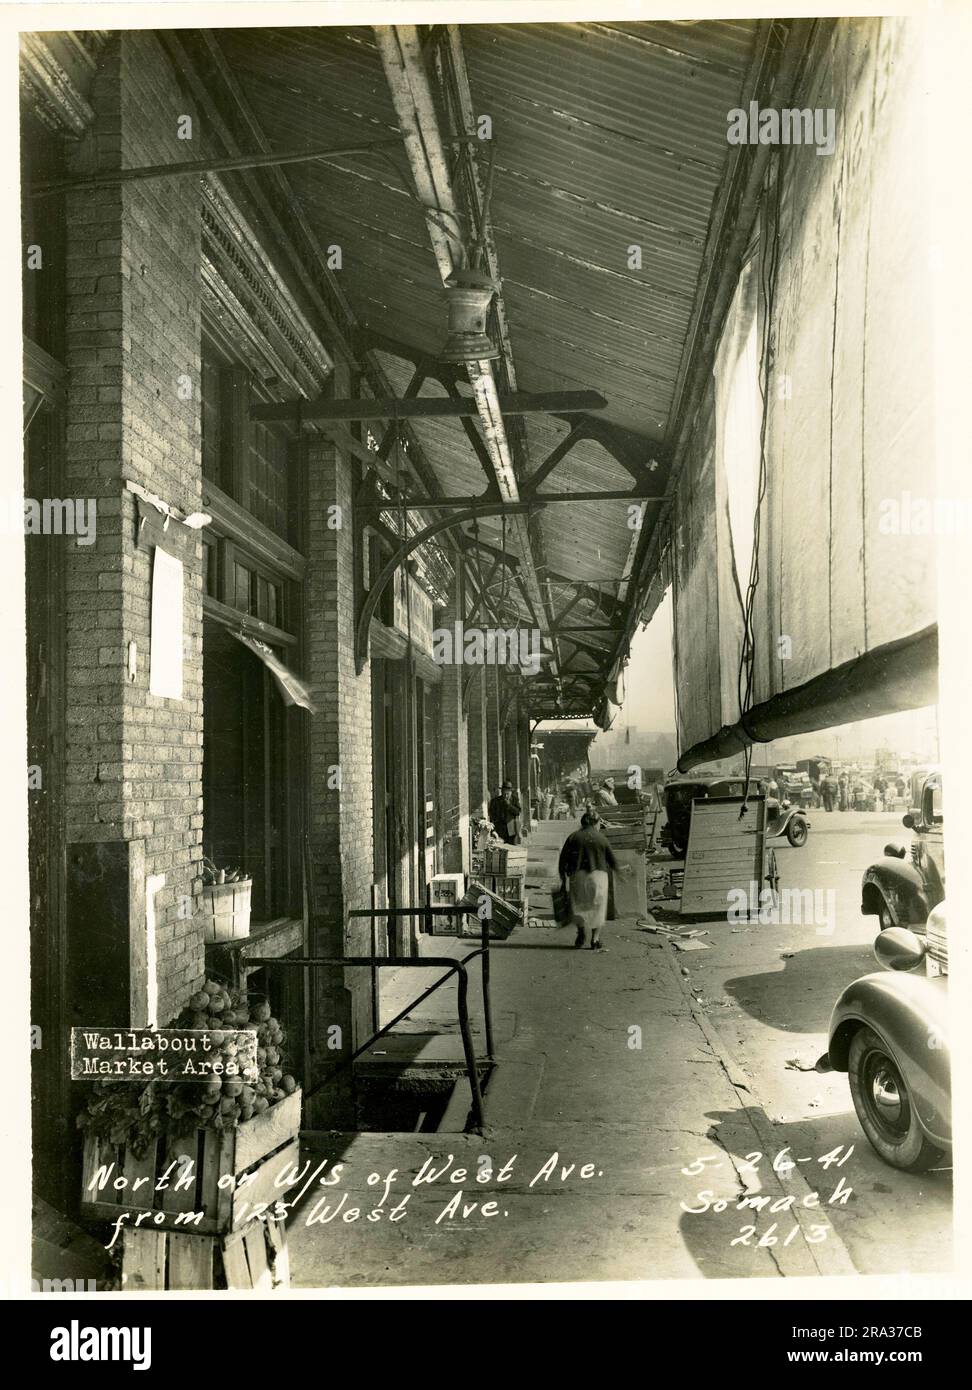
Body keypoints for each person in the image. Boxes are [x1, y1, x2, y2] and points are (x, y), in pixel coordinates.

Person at [558, 810, 627, 952]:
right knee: (598, 908)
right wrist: (620, 874)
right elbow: (612, 859)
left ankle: (581, 932)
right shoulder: (601, 838)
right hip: (598, 876)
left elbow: (563, 859)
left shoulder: (573, 837)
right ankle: (595, 940)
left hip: (577, 877)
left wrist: (562, 877)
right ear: (595, 823)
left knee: (579, 907)